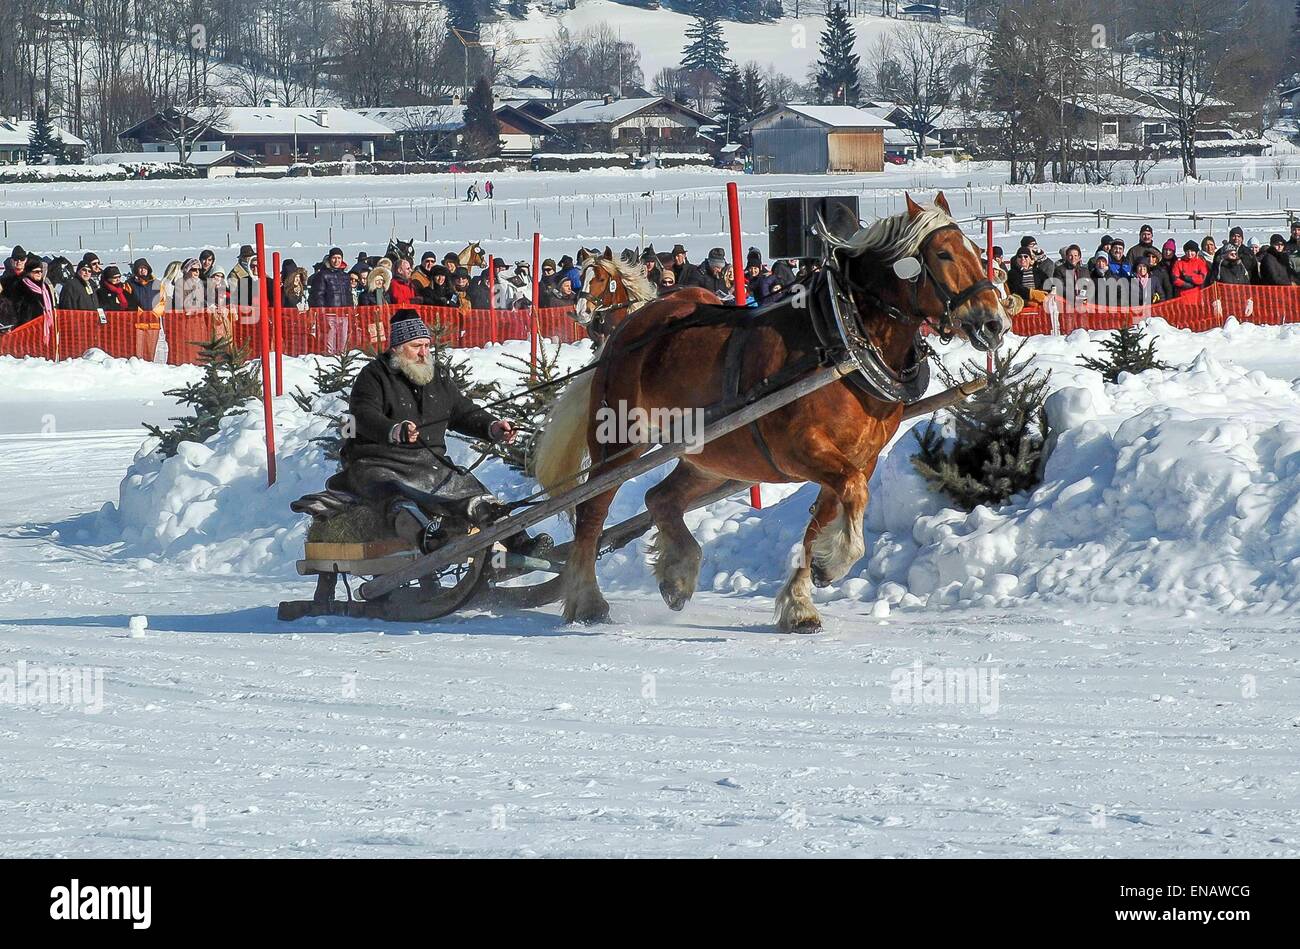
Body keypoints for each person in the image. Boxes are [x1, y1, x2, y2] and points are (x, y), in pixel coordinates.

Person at [329, 309, 549, 557]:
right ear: (398, 348)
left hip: (431, 464)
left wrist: (491, 427)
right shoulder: (373, 376)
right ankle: (432, 542)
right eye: (416, 346)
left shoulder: (438, 376)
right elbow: (363, 415)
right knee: (398, 500)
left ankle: (520, 544)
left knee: (475, 496)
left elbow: (462, 412)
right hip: (377, 464)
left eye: (426, 345)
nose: (424, 353)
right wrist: (394, 430)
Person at [309, 247, 355, 354]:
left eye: (339, 258)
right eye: (334, 258)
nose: (336, 261)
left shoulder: (345, 276)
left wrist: (351, 310)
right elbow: (318, 294)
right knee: (330, 338)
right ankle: (329, 356)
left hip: (343, 314)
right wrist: (321, 310)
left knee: (343, 338)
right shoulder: (323, 275)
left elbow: (349, 294)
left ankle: (341, 357)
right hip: (330, 314)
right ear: (330, 259)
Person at [3, 254, 55, 329]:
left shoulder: (45, 287)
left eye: (41, 271)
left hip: (45, 328)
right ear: (29, 272)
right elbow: (14, 311)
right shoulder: (20, 287)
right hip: (27, 330)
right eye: (36, 271)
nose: (40, 273)